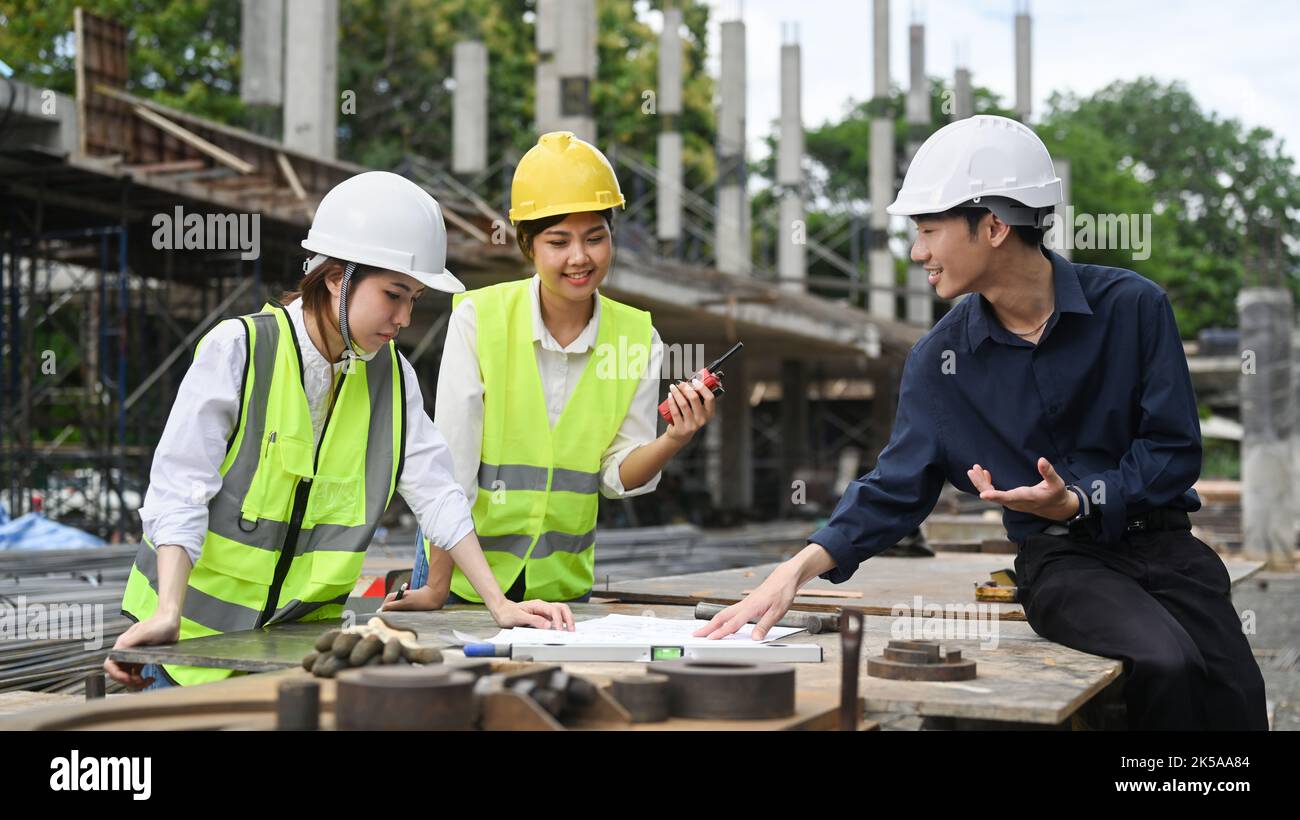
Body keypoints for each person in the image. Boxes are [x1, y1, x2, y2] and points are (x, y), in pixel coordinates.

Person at [695, 115, 1267, 730]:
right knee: (1166, 662)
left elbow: (1173, 449)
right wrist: (796, 570)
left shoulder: (1133, 308)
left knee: (1235, 694)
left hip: (1168, 549)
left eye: (929, 231)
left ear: (993, 226)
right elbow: (894, 488)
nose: (918, 252)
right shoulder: (940, 362)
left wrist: (1079, 499)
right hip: (1064, 567)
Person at [107, 171, 573, 690]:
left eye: (414, 299)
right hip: (185, 650)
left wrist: (499, 603)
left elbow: (437, 492)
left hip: (296, 655)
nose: (403, 318)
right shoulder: (238, 350)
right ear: (336, 277)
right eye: (394, 294)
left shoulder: (393, 379)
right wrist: (167, 611)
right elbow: (180, 488)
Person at [383, 131, 716, 611]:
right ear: (528, 245)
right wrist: (436, 587)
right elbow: (451, 467)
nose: (579, 258)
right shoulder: (479, 319)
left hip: (562, 590)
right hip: (464, 581)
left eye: (595, 238)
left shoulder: (638, 339)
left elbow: (616, 477)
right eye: (559, 241)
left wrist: (673, 439)